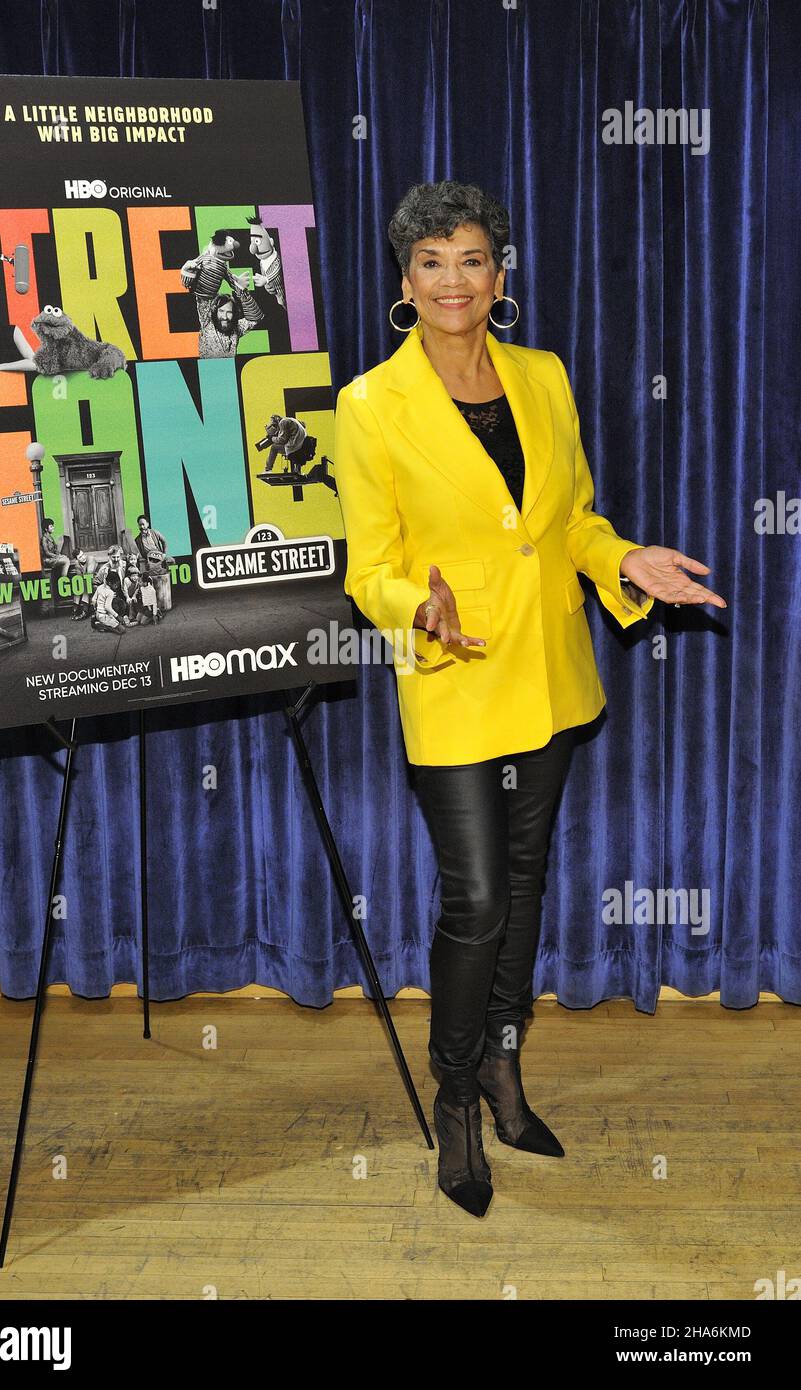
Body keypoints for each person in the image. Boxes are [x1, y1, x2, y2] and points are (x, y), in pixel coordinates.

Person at [333, 180, 727, 1219]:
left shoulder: (542, 377)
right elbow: (365, 566)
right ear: (403, 282)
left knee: (524, 877)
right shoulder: (369, 405)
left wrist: (625, 558)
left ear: (498, 276)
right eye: (429, 262)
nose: (450, 280)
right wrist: (417, 605)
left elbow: (569, 522)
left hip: (547, 675)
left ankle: (505, 1065)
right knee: (475, 900)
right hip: (454, 675)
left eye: (469, 259)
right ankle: (454, 1094)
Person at [135, 516, 172, 614]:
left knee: (172, 562)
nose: (142, 527)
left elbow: (164, 541)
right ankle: (156, 604)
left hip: (160, 556)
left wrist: (164, 553)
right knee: (152, 574)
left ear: (147, 524)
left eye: (143, 524)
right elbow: (141, 553)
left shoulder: (154, 533)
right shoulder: (138, 539)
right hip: (150, 560)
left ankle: (167, 598)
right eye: (140, 525)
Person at [40, 519, 70, 588]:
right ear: (46, 529)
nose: (53, 527)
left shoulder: (50, 537)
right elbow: (47, 552)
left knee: (66, 558)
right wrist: (57, 556)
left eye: (53, 526)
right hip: (47, 560)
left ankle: (63, 580)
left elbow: (55, 550)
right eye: (51, 526)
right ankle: (63, 582)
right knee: (66, 561)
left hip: (52, 558)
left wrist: (59, 555)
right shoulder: (44, 539)